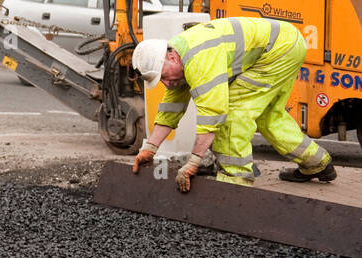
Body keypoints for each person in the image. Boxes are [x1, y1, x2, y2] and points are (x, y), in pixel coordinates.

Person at [131, 17, 333, 192]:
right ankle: (316, 163)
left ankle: (235, 181)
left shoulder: (199, 60)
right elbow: (171, 109)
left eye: (164, 77)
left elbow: (213, 115)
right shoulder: (178, 55)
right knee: (268, 115)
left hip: (278, 50)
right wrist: (150, 148)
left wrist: (194, 161)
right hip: (287, 42)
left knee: (234, 112)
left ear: (172, 57)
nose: (167, 84)